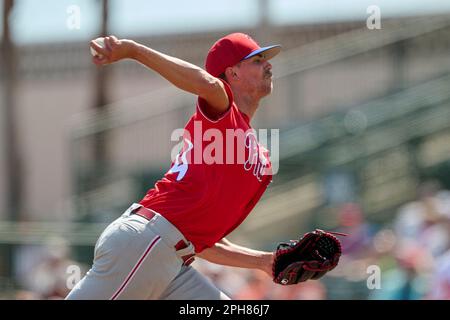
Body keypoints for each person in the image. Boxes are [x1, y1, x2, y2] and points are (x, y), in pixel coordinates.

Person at [66, 32, 282, 300]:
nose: (269, 65)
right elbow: (209, 85)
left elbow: (203, 242)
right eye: (258, 60)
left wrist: (264, 261)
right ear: (233, 74)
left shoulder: (259, 156)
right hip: (147, 243)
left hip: (172, 259)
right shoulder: (222, 113)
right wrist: (134, 50)